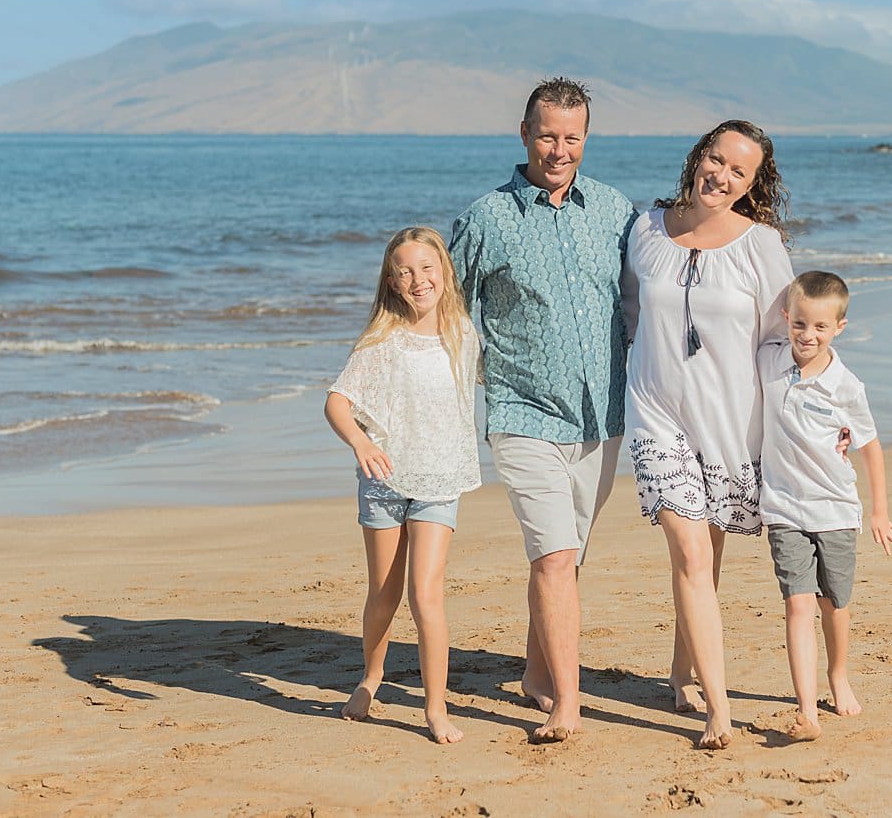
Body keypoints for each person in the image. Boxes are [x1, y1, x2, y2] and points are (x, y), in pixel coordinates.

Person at [449, 78, 636, 743]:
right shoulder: (486, 218)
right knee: (555, 558)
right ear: (524, 133)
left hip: (601, 416)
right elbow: (447, 312)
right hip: (521, 413)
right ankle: (567, 703)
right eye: (548, 134)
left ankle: (535, 673)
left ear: (587, 138)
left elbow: (644, 305)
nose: (560, 149)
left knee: (567, 555)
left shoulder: (616, 211)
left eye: (572, 136)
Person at [621, 119, 795, 749]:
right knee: (692, 555)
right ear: (698, 156)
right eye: (715, 159)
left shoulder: (761, 245)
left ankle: (679, 669)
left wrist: (811, 419)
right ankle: (718, 712)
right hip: (656, 413)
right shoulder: (644, 229)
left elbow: (785, 339)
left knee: (706, 557)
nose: (720, 176)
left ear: (752, 184)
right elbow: (629, 312)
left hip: (729, 420)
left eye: (738, 171)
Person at [324, 226, 482, 745]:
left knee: (425, 593)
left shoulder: (464, 334)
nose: (419, 279)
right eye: (406, 272)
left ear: (445, 271)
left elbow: (509, 379)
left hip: (439, 479)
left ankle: (435, 708)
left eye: (427, 267)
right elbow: (337, 404)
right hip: (385, 482)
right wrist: (362, 445)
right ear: (392, 283)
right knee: (385, 593)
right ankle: (371, 677)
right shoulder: (381, 342)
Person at [758, 270, 892, 742]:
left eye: (820, 327)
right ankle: (806, 711)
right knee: (797, 605)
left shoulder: (846, 386)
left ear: (839, 327)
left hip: (837, 509)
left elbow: (870, 446)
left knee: (833, 604)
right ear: (786, 319)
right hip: (782, 507)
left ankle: (838, 675)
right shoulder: (767, 360)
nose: (807, 335)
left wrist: (878, 511)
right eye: (799, 324)